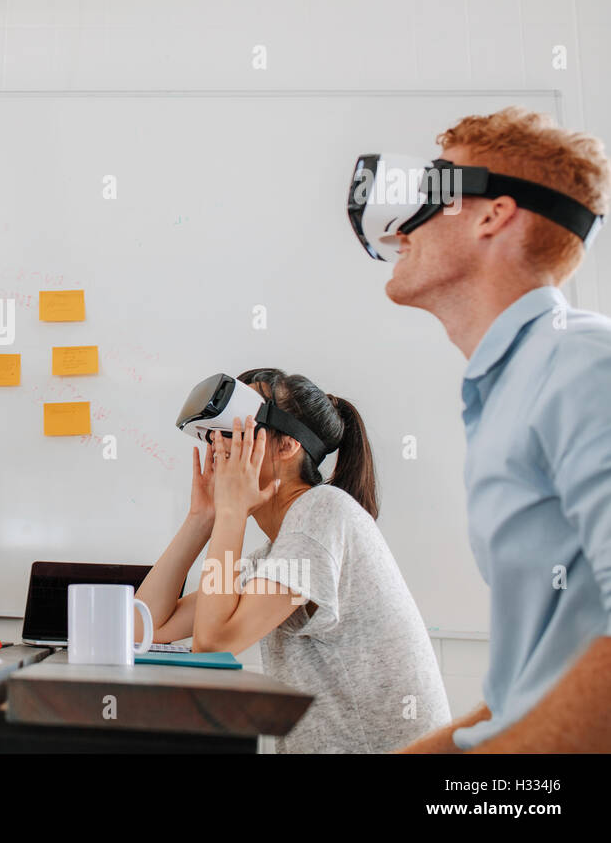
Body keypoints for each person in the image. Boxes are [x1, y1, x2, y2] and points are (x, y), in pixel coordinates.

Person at [378, 108, 611, 752]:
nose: (400, 229)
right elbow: (523, 694)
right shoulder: (509, 386)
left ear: (491, 215)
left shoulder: (581, 365)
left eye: (431, 197)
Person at [138, 368, 450, 753]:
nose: (220, 447)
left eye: (238, 432)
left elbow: (214, 643)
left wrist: (233, 512)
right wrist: (201, 519)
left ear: (288, 446)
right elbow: (145, 628)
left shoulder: (322, 512)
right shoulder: (273, 558)